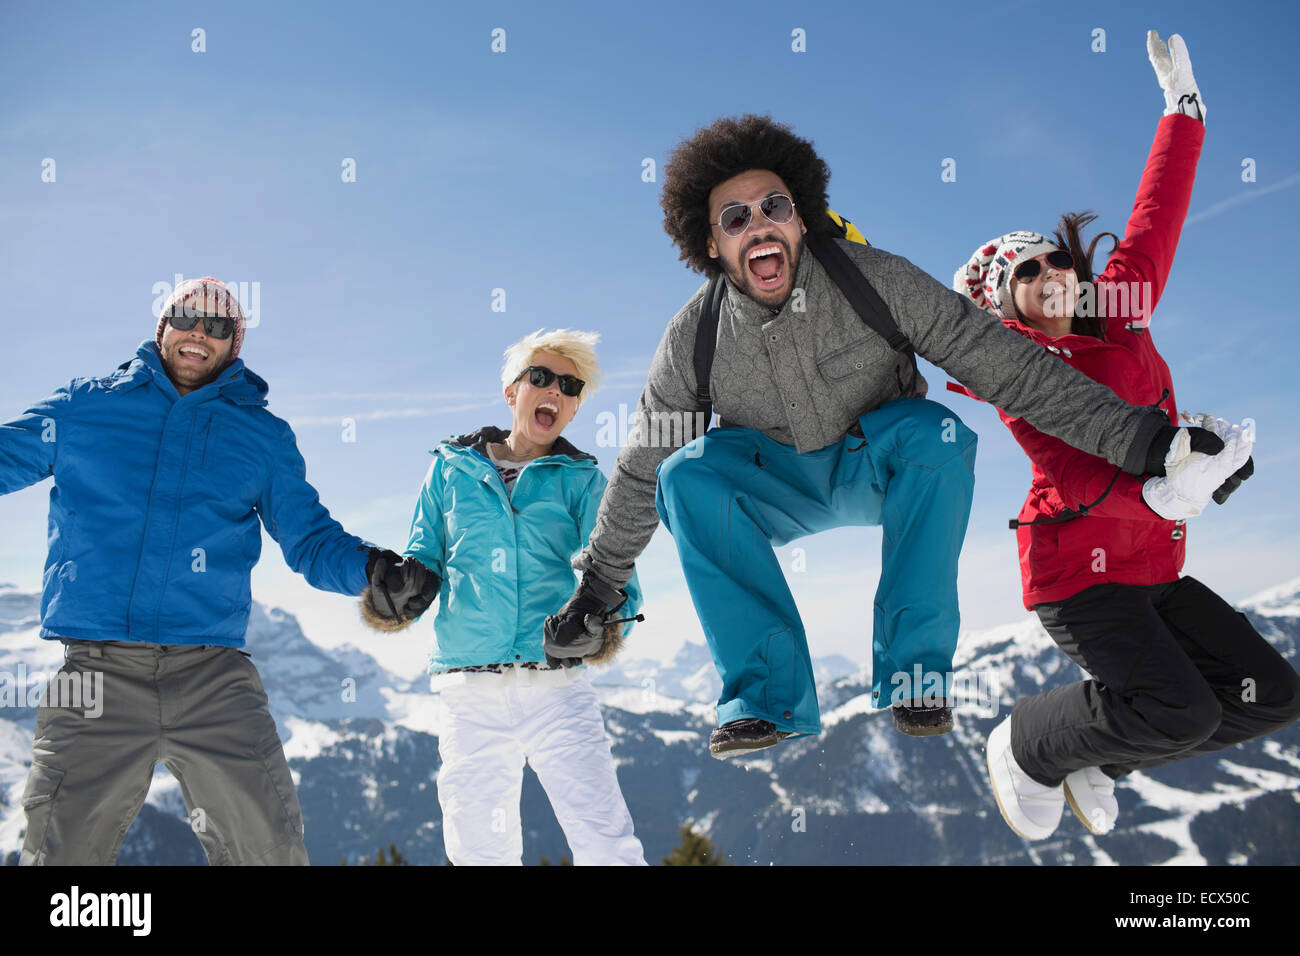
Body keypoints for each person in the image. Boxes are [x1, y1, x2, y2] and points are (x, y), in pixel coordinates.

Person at [542, 112, 1227, 758]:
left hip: (878, 465)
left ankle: (913, 675)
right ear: (711, 243)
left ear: (801, 219)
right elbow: (641, 462)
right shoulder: (694, 336)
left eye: (775, 206)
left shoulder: (877, 281)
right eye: (735, 217)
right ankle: (765, 701)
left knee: (941, 435)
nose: (759, 225)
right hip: (772, 482)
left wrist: (1146, 442)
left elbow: (1010, 368)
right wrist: (597, 588)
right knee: (682, 473)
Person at [950, 32, 1300, 840]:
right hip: (1079, 575)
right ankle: (1028, 744)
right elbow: (1068, 474)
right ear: (1005, 312)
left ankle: (1102, 757)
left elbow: (1158, 214)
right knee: (1178, 711)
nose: (1047, 274)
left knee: (1270, 695)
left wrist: (1184, 115)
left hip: (1155, 563)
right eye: (1023, 277)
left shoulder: (1123, 311)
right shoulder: (1022, 373)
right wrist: (1160, 491)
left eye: (1046, 258)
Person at [1, 276, 433, 865]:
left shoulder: (261, 436)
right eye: (186, 317)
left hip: (214, 677)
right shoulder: (87, 407)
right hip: (96, 672)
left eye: (219, 325)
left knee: (270, 849)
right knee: (60, 855)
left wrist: (374, 572)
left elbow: (308, 539)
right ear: (162, 328)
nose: (200, 332)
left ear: (235, 343)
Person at [362, 329, 646, 866]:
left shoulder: (583, 481)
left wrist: (602, 626)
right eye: (540, 377)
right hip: (470, 692)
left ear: (576, 406)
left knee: (605, 842)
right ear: (512, 393)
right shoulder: (451, 469)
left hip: (556, 686)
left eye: (570, 385)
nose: (554, 391)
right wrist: (401, 591)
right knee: (478, 852)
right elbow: (423, 555)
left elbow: (617, 576)